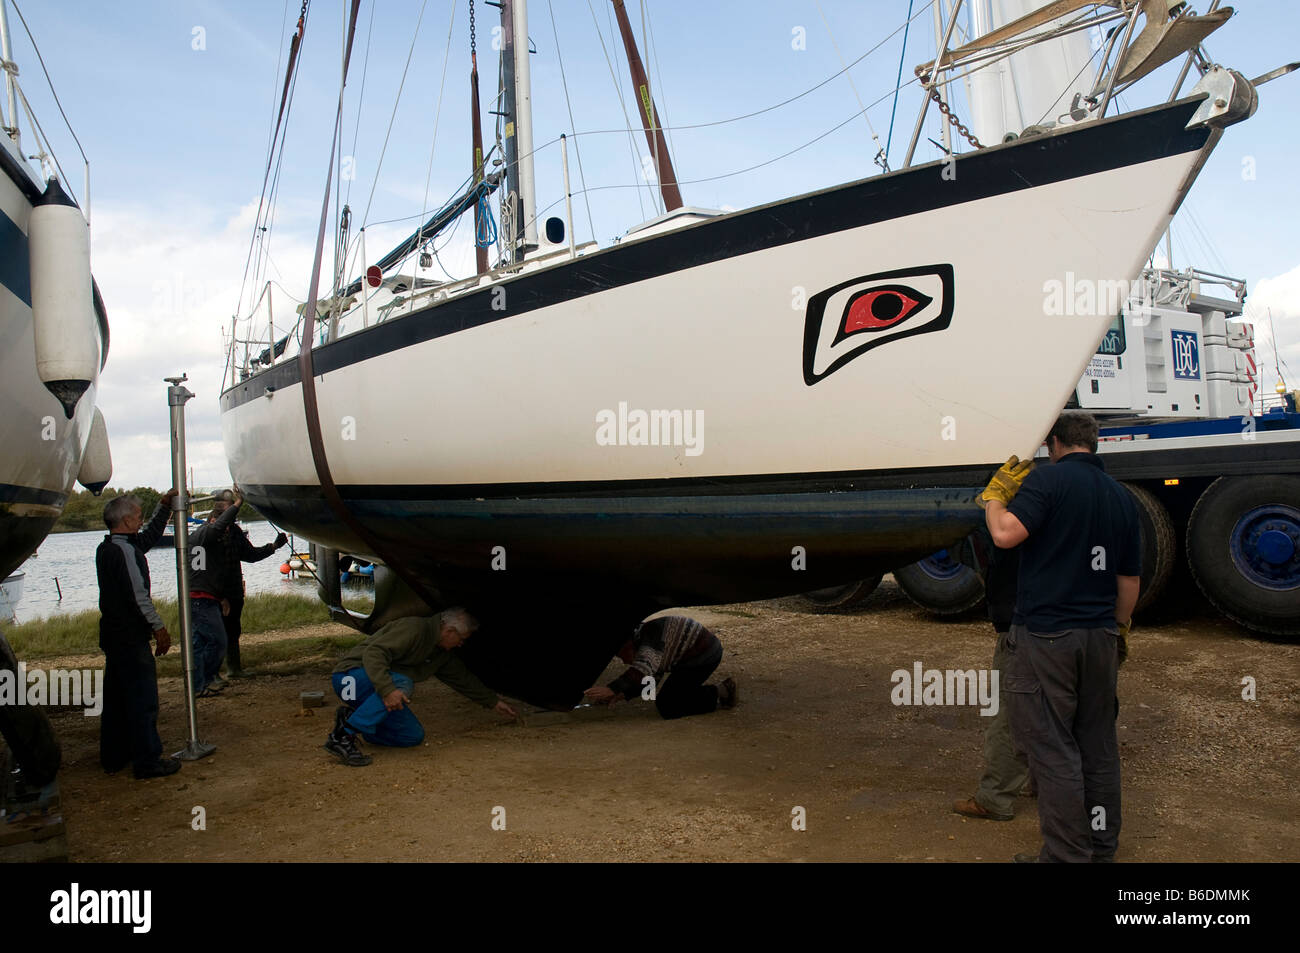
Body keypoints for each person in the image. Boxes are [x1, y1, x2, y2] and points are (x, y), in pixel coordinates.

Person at [982, 412, 1140, 863]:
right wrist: (1119, 629)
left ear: (1054, 443)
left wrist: (995, 498)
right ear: (1094, 444)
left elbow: (1004, 534)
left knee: (1052, 750)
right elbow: (1129, 580)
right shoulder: (1121, 497)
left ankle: (1067, 856)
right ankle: (1099, 847)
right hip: (1100, 637)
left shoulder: (1046, 484)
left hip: (1046, 637)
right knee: (1098, 747)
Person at [325, 607, 518, 767]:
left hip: (371, 688)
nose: (461, 644)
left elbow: (463, 680)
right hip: (349, 677)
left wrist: (493, 702)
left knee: (411, 736)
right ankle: (342, 736)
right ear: (449, 631)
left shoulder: (441, 654)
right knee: (403, 682)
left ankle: (353, 719)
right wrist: (388, 690)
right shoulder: (414, 629)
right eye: (462, 638)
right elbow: (374, 653)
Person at [96, 489, 181, 780]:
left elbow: (147, 539)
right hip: (130, 638)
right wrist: (158, 627)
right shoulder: (124, 551)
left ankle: (114, 756)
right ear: (127, 522)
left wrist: (163, 508)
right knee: (144, 700)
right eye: (137, 517)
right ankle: (147, 761)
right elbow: (138, 594)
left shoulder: (110, 546)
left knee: (117, 699)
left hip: (113, 637)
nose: (140, 521)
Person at [951, 535, 1032, 821]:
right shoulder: (1079, 499)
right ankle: (1041, 780)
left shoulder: (1017, 502)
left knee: (1010, 713)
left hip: (1022, 623)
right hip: (1064, 626)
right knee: (1054, 706)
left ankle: (995, 797)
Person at [583, 615, 737, 718]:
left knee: (668, 706)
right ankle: (708, 693)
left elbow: (642, 669)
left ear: (628, 646)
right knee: (667, 702)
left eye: (622, 655)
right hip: (693, 656)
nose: (624, 661)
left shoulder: (649, 638)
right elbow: (650, 682)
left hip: (703, 656)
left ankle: (719, 692)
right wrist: (622, 695)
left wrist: (612, 688)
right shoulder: (645, 637)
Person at [212, 495, 287, 679]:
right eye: (232, 509)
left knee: (233, 630)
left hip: (234, 590)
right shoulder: (210, 533)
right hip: (216, 593)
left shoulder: (235, 531)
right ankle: (212, 673)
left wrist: (274, 546)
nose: (235, 513)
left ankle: (234, 669)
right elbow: (207, 569)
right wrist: (218, 595)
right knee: (216, 633)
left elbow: (250, 554)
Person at [185, 491, 244, 697]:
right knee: (218, 640)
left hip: (203, 596)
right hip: (200, 599)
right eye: (225, 526)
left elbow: (204, 573)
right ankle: (206, 679)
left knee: (199, 644)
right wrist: (237, 503)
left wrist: (220, 597)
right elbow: (219, 525)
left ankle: (198, 685)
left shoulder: (202, 539)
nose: (226, 531)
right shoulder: (206, 533)